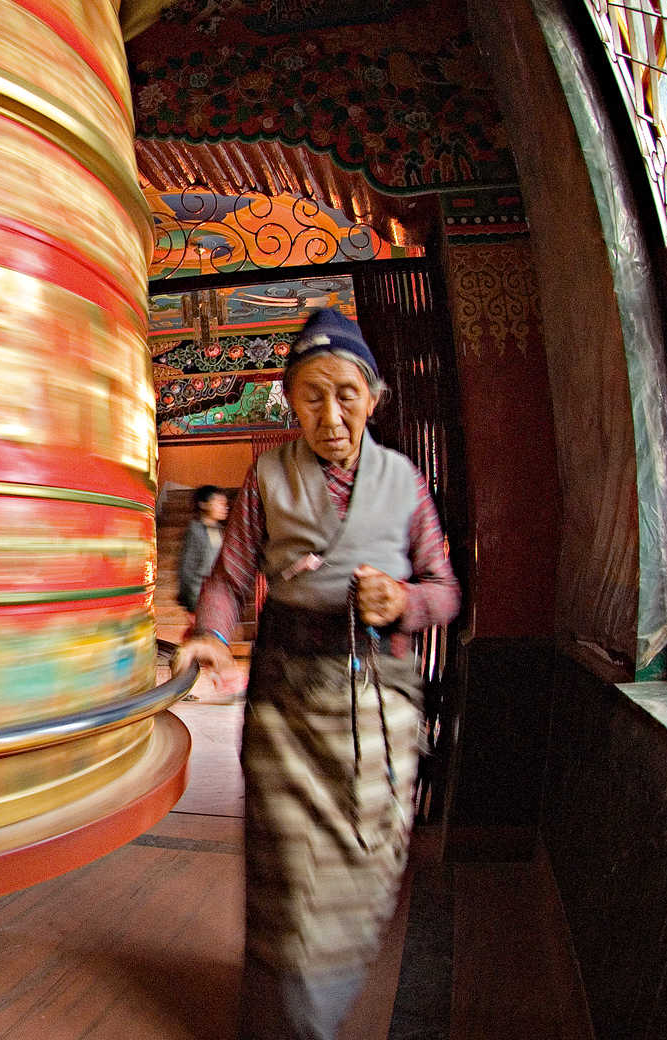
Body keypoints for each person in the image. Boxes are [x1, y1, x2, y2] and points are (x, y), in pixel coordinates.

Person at [172, 307, 459, 1040]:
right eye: (310, 395)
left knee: (356, 878)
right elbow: (230, 580)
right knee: (288, 878)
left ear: (373, 397)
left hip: (378, 712)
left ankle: (317, 1011)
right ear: (289, 401)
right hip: (286, 707)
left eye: (345, 394)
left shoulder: (406, 483)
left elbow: (444, 589)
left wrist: (404, 601)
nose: (329, 415)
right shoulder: (268, 476)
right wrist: (208, 636)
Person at [176, 483, 229, 629]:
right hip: (200, 599)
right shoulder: (194, 532)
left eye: (225, 503)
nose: (224, 507)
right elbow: (187, 569)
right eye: (219, 503)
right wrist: (192, 605)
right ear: (203, 505)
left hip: (216, 598)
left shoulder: (220, 531)